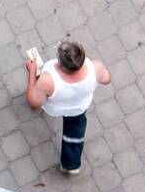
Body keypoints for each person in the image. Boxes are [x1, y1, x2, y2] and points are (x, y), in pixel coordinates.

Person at [25, 41, 111, 175]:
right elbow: (106, 79)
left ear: (60, 63)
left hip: (56, 108)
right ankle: (71, 165)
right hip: (78, 108)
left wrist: (31, 73)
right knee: (75, 135)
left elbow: (34, 103)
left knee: (39, 90)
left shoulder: (48, 80)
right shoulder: (96, 68)